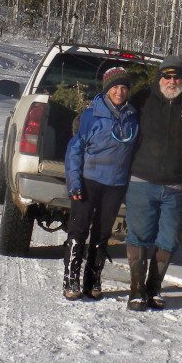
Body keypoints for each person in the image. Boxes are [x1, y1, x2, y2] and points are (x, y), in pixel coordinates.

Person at [124, 56, 182, 311]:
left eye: (176, 76)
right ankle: (136, 290)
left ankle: (154, 288)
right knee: (138, 235)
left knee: (168, 239)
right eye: (167, 76)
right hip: (141, 180)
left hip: (176, 185)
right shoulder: (141, 100)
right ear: (159, 78)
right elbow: (117, 116)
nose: (172, 81)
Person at [62, 66, 138, 301]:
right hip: (89, 180)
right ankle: (71, 278)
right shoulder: (91, 115)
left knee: (103, 233)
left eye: (124, 87)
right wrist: (74, 182)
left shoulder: (133, 116)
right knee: (79, 229)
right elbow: (75, 149)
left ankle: (92, 278)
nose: (119, 91)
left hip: (115, 185)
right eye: (115, 87)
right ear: (107, 89)